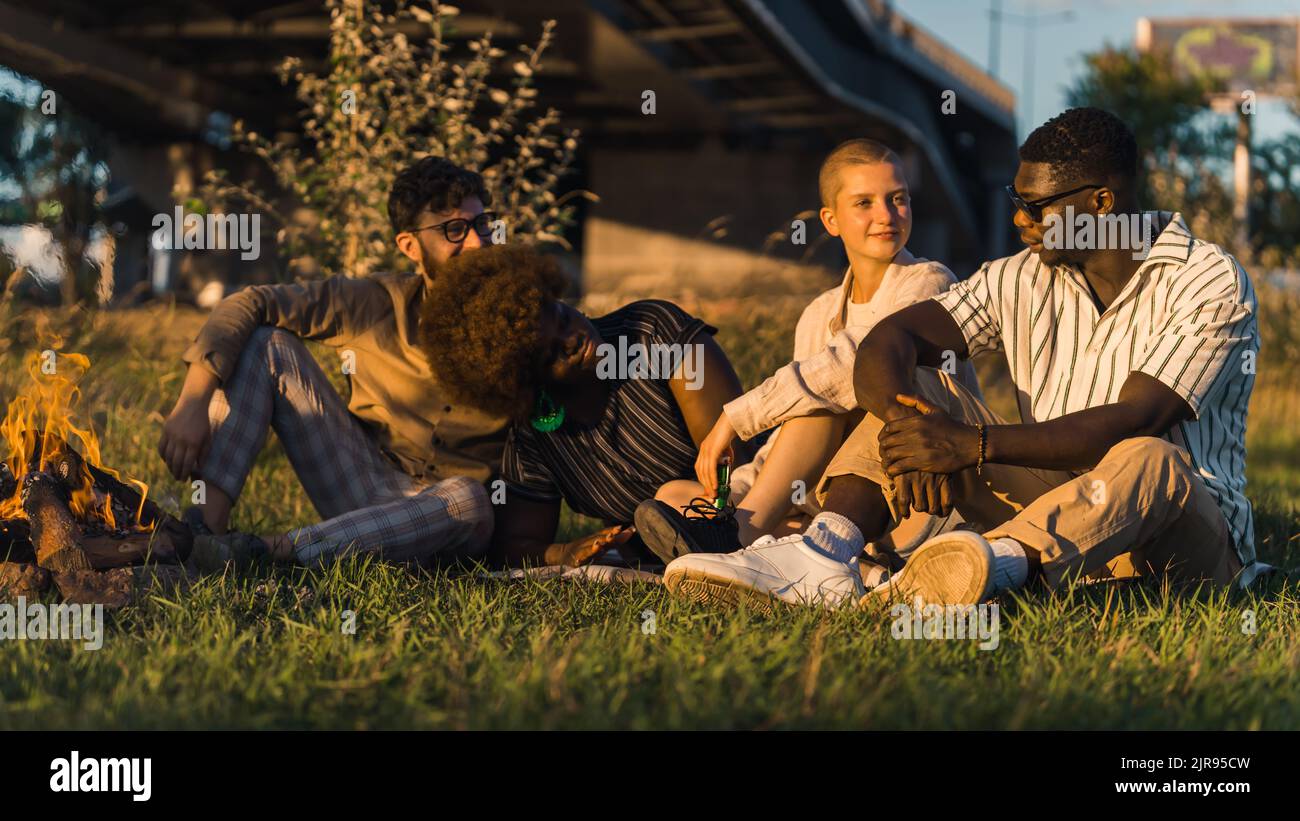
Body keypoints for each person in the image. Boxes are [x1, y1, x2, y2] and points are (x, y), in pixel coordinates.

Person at [663, 107, 1265, 609]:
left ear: (1102, 203)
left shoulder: (1208, 280)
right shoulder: (1021, 276)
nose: (1018, 219)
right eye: (1015, 198)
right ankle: (822, 554)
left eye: (1037, 205)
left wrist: (971, 444)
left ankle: (988, 571)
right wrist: (918, 430)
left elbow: (1134, 420)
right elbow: (888, 342)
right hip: (1054, 506)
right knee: (918, 383)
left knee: (1148, 456)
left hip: (1178, 536)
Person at [635, 138, 977, 564]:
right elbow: (788, 438)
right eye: (864, 203)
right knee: (674, 495)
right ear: (831, 221)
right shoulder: (818, 314)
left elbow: (852, 364)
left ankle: (736, 541)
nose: (886, 216)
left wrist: (734, 418)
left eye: (897, 199)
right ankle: (768, 542)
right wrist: (735, 493)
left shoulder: (929, 283)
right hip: (823, 497)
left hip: (906, 493)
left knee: (825, 395)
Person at [157, 157, 503, 569]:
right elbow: (249, 301)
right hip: (367, 487)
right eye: (455, 230)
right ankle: (197, 538)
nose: (478, 243)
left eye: (482, 224)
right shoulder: (374, 303)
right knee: (269, 343)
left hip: (453, 523)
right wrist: (193, 402)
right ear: (409, 246)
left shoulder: (520, 316)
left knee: (468, 498)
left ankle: (260, 553)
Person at [417, 243, 753, 568]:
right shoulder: (537, 437)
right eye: (553, 355)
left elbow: (735, 467)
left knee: (671, 495)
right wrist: (563, 552)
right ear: (521, 380)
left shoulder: (651, 334)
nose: (573, 339)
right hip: (675, 554)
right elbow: (513, 547)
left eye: (563, 317)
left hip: (758, 502)